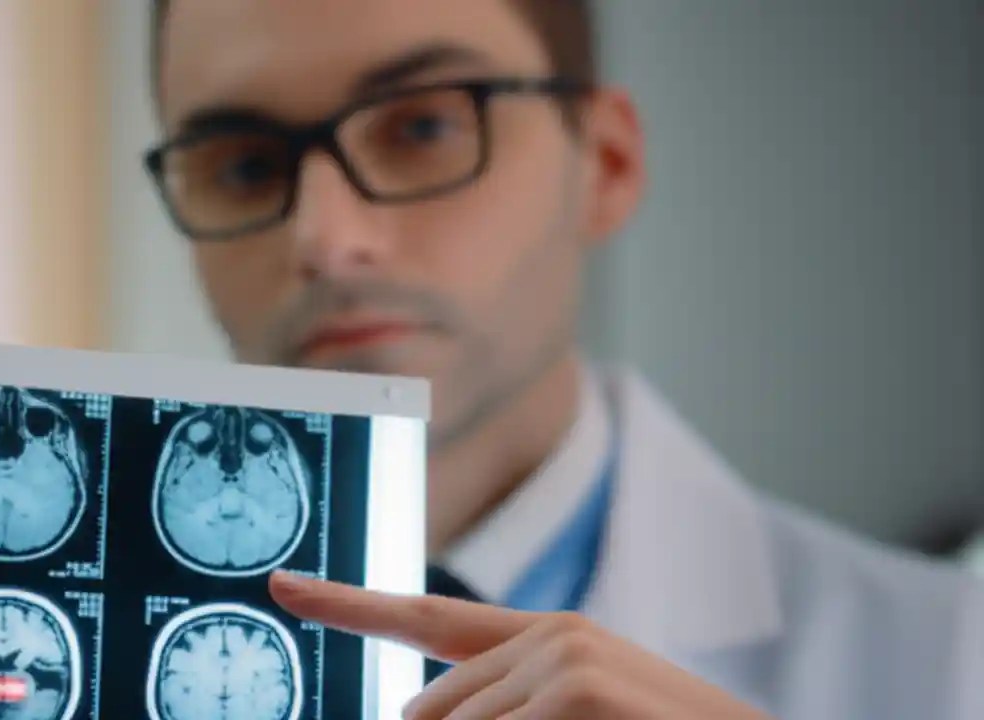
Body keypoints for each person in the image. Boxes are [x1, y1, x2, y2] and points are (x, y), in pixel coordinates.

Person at [142, 0, 984, 717]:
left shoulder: (948, 662)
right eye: (246, 166)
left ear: (607, 164)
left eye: (425, 124)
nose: (327, 239)